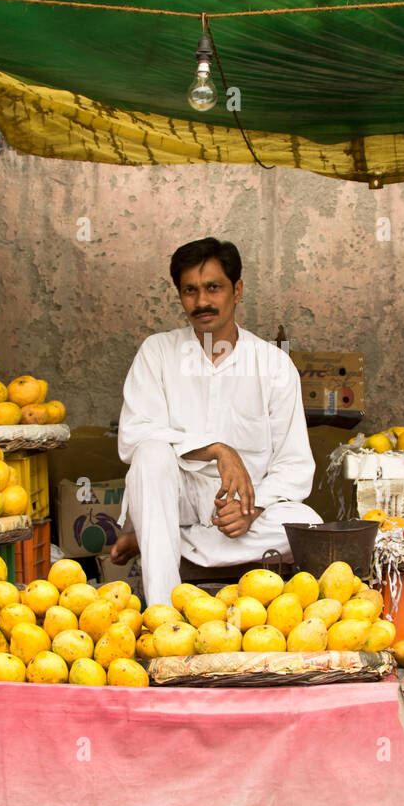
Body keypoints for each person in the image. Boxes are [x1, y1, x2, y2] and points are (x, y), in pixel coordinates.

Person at [110, 237, 322, 604]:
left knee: (308, 525)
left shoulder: (273, 366)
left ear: (236, 290)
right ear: (179, 295)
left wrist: (252, 508)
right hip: (175, 496)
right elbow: (133, 435)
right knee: (150, 455)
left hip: (243, 507)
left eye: (213, 288)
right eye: (190, 290)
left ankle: (153, 539)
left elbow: (294, 466)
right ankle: (163, 611)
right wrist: (217, 450)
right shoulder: (157, 352)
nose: (202, 301)